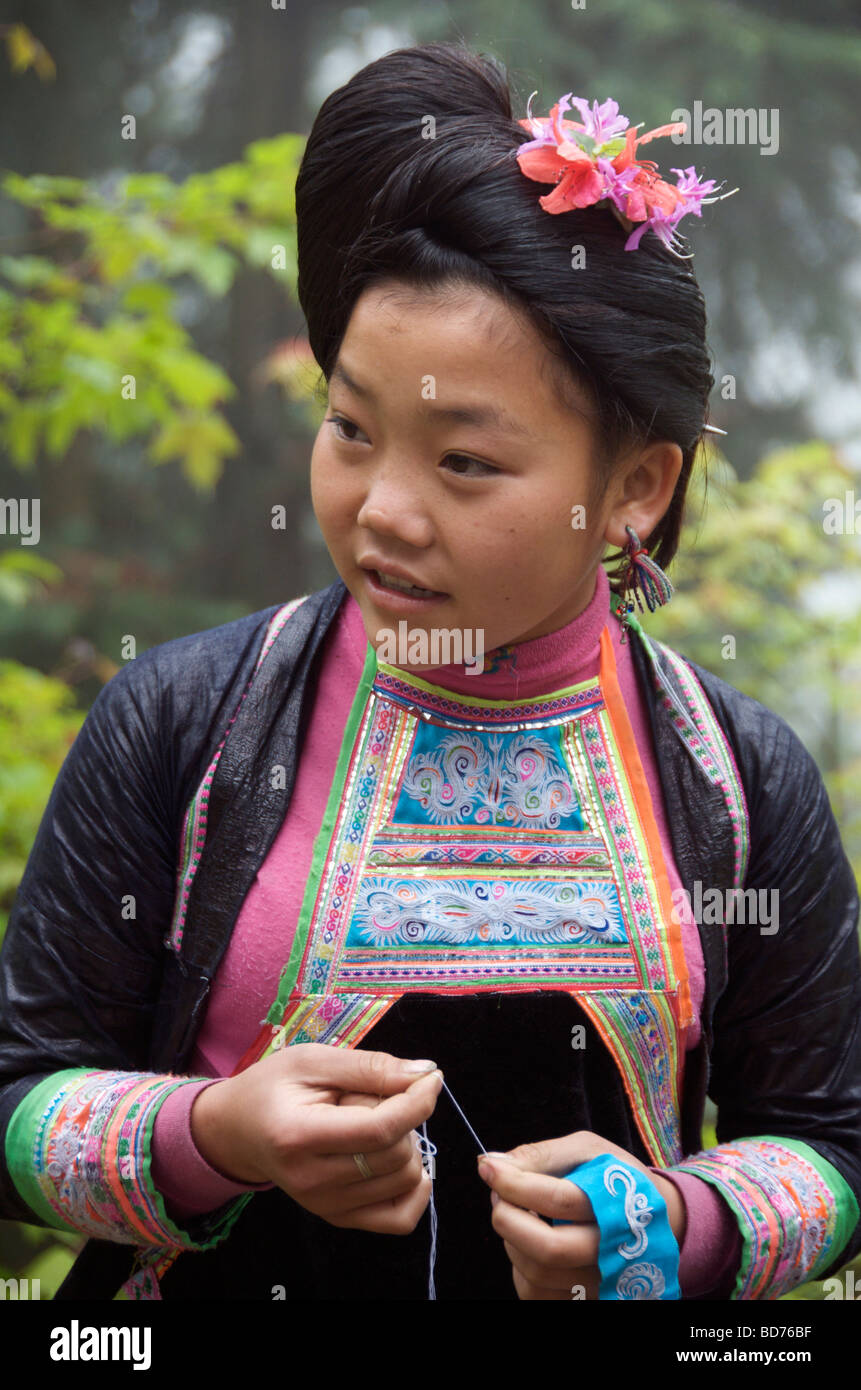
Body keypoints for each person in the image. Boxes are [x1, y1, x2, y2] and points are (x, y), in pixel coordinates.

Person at [1, 40, 859, 1302]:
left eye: (464, 463)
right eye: (351, 428)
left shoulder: (738, 778)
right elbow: (23, 1094)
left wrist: (679, 1227)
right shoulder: (180, 724)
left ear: (634, 487)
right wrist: (215, 1137)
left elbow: (833, 1146)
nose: (381, 510)